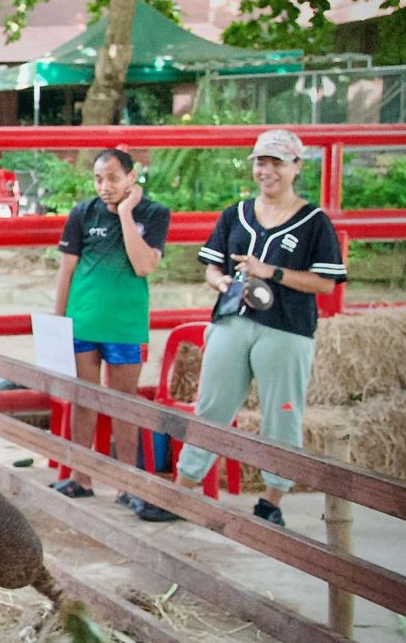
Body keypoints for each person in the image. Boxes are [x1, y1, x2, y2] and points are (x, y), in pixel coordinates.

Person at [136, 128, 347, 526]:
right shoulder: (236, 214)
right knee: (211, 406)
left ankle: (272, 499)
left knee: (281, 412)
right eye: (260, 163)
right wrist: (221, 283)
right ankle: (182, 490)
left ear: (296, 167)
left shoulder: (315, 222)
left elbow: (326, 282)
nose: (267, 171)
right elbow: (213, 267)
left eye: (276, 163)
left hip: (285, 329)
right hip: (233, 320)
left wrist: (273, 274)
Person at [48, 148, 169, 500]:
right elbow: (67, 269)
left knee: (123, 403)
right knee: (83, 399)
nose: (105, 186)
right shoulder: (83, 213)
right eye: (99, 178)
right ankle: (80, 477)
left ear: (132, 177)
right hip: (83, 320)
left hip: (125, 324)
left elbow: (144, 265)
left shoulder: (154, 213)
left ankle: (127, 483)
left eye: (113, 178)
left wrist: (127, 214)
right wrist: (59, 322)